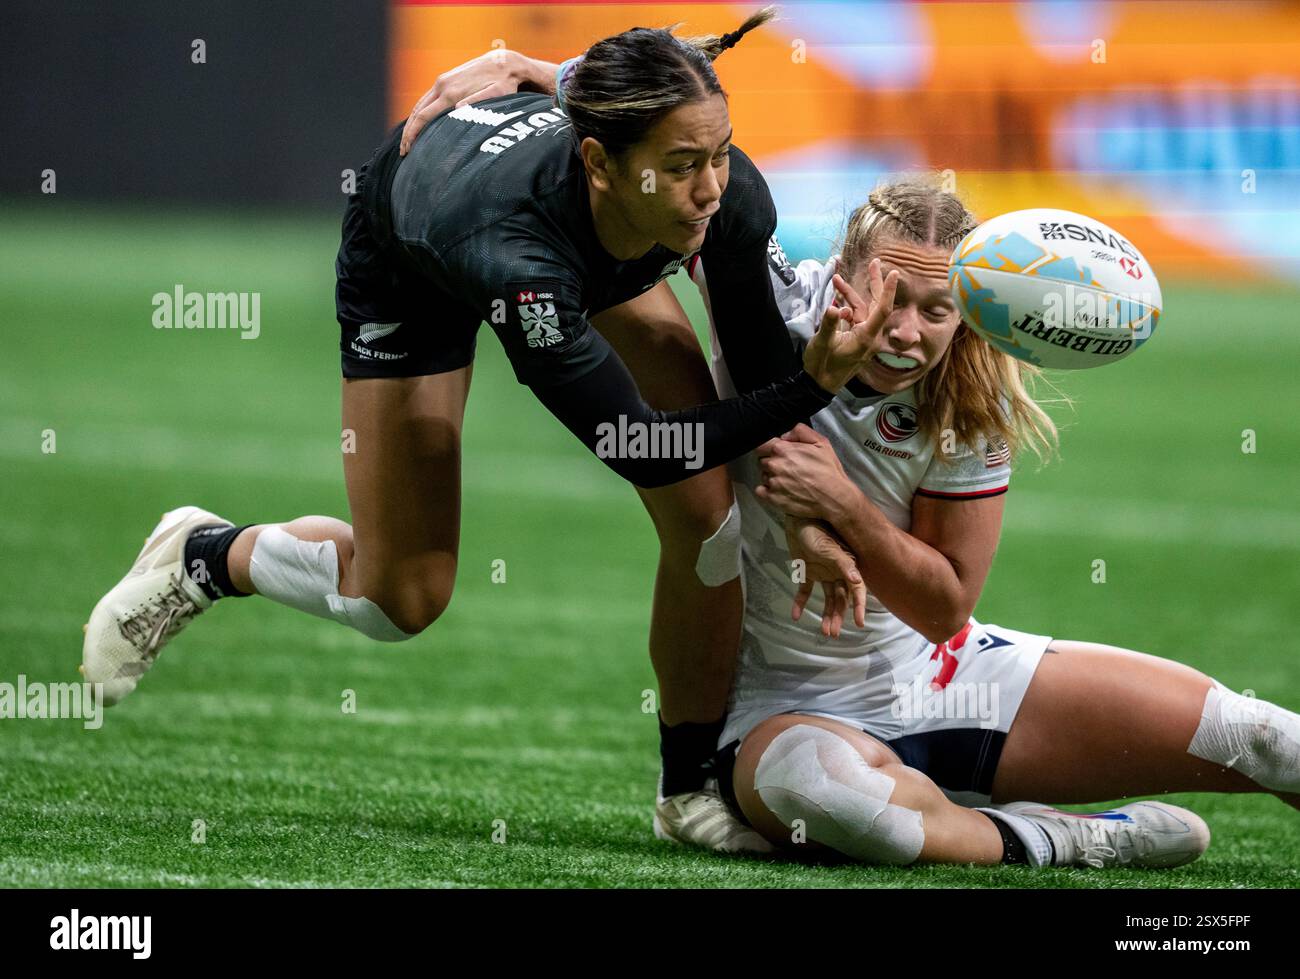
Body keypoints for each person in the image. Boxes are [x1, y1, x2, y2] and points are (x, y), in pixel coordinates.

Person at [80, 9, 892, 852]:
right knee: (401, 599)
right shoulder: (514, 258)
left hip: (585, 236)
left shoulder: (719, 192)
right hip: (416, 257)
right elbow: (638, 444)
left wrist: (806, 509)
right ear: (601, 164)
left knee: (709, 521)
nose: (712, 187)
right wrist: (816, 381)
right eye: (684, 166)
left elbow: (762, 383)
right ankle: (205, 554)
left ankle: (688, 787)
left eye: (720, 154)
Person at [684, 175, 1300, 868]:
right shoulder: (768, 301)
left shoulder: (966, 396)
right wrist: (556, 79)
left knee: (1260, 736)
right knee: (837, 801)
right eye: (887, 296)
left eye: (935, 310)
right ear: (840, 272)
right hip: (784, 708)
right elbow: (688, 166)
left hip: (946, 676)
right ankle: (1068, 837)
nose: (905, 332)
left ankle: (959, 805)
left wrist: (844, 505)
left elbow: (944, 606)